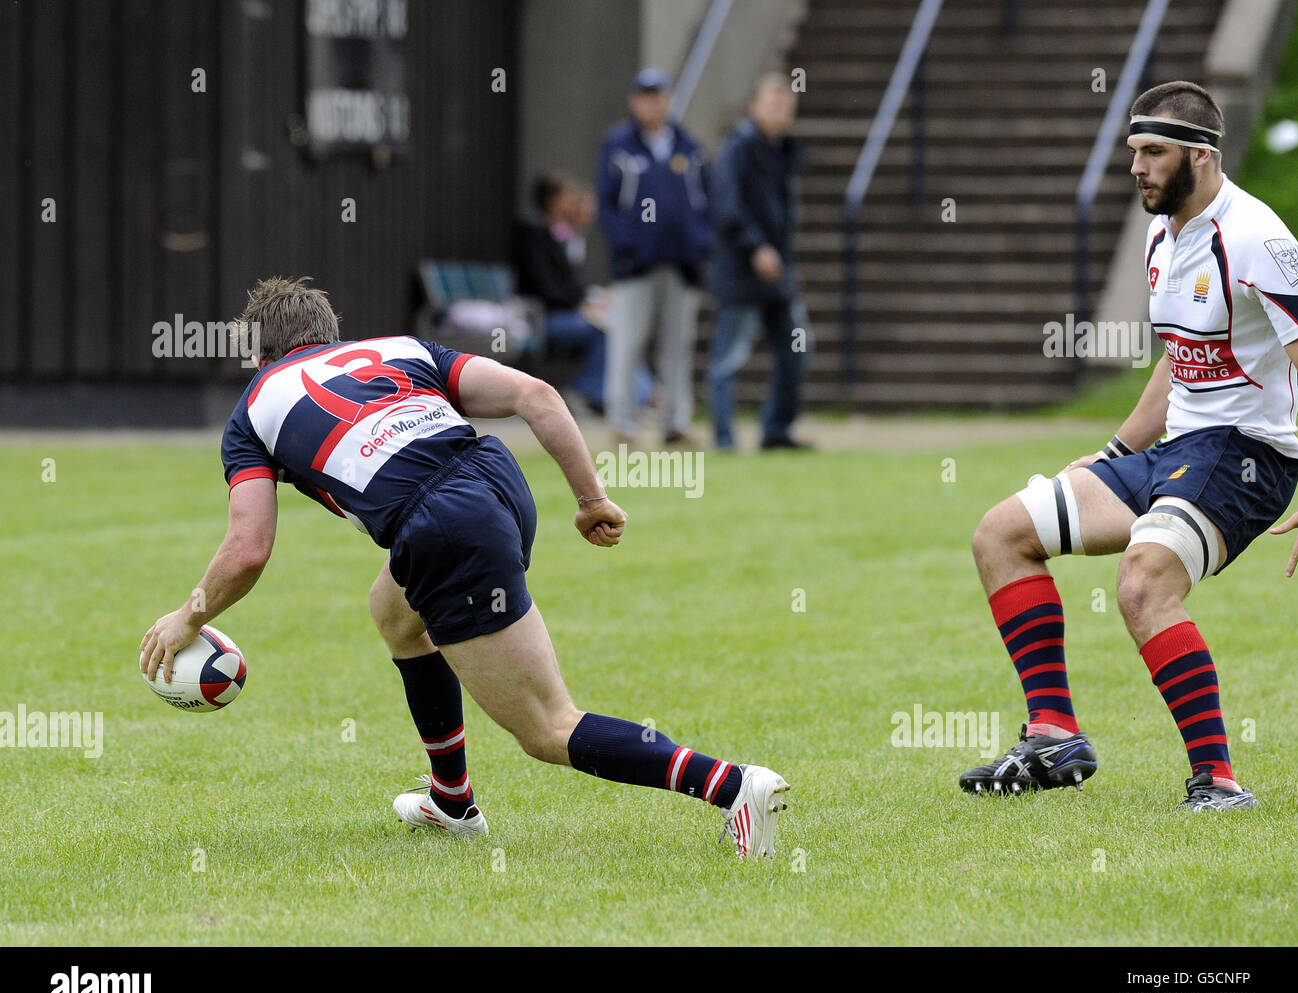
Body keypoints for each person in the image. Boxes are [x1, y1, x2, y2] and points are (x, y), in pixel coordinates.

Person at [138, 276, 789, 858]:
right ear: (330, 338)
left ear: (259, 358)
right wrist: (590, 499)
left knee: (547, 727)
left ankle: (732, 786)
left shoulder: (253, 407)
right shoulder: (400, 349)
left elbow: (249, 548)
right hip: (497, 478)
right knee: (393, 612)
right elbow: (534, 394)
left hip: (444, 527)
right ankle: (452, 801)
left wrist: (186, 616)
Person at [961, 81, 1298, 811]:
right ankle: (1054, 734)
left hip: (1250, 458)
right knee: (1001, 533)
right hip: (1181, 450)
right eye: (1133, 153)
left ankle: (1219, 780)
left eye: (1153, 152)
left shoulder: (1260, 240)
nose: (1137, 168)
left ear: (1202, 158)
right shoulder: (1163, 233)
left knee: (1144, 584)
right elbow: (1177, 361)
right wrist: (1113, 453)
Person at [596, 68, 712, 445]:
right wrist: (629, 244)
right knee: (628, 340)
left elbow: (705, 201)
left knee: (677, 345)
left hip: (681, 263)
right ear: (634, 101)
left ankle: (675, 422)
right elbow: (607, 203)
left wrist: (699, 242)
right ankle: (624, 424)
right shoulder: (620, 144)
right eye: (645, 96)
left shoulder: (688, 146)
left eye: (658, 95)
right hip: (636, 265)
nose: (652, 103)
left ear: (669, 100)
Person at [708, 73, 811, 451]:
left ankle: (776, 431)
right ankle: (723, 438)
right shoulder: (738, 149)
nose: (779, 111)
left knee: (798, 348)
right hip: (742, 272)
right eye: (772, 103)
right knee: (728, 359)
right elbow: (727, 207)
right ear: (753, 107)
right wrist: (755, 248)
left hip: (776, 275)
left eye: (785, 104)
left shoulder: (782, 151)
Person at [510, 173, 652, 413]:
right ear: (552, 201)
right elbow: (545, 287)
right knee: (605, 331)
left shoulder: (561, 235)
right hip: (541, 318)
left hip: (563, 312)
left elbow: (570, 286)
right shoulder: (532, 233)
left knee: (617, 326)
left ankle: (642, 394)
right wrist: (583, 305)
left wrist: (591, 299)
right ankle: (586, 391)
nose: (574, 203)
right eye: (568, 197)